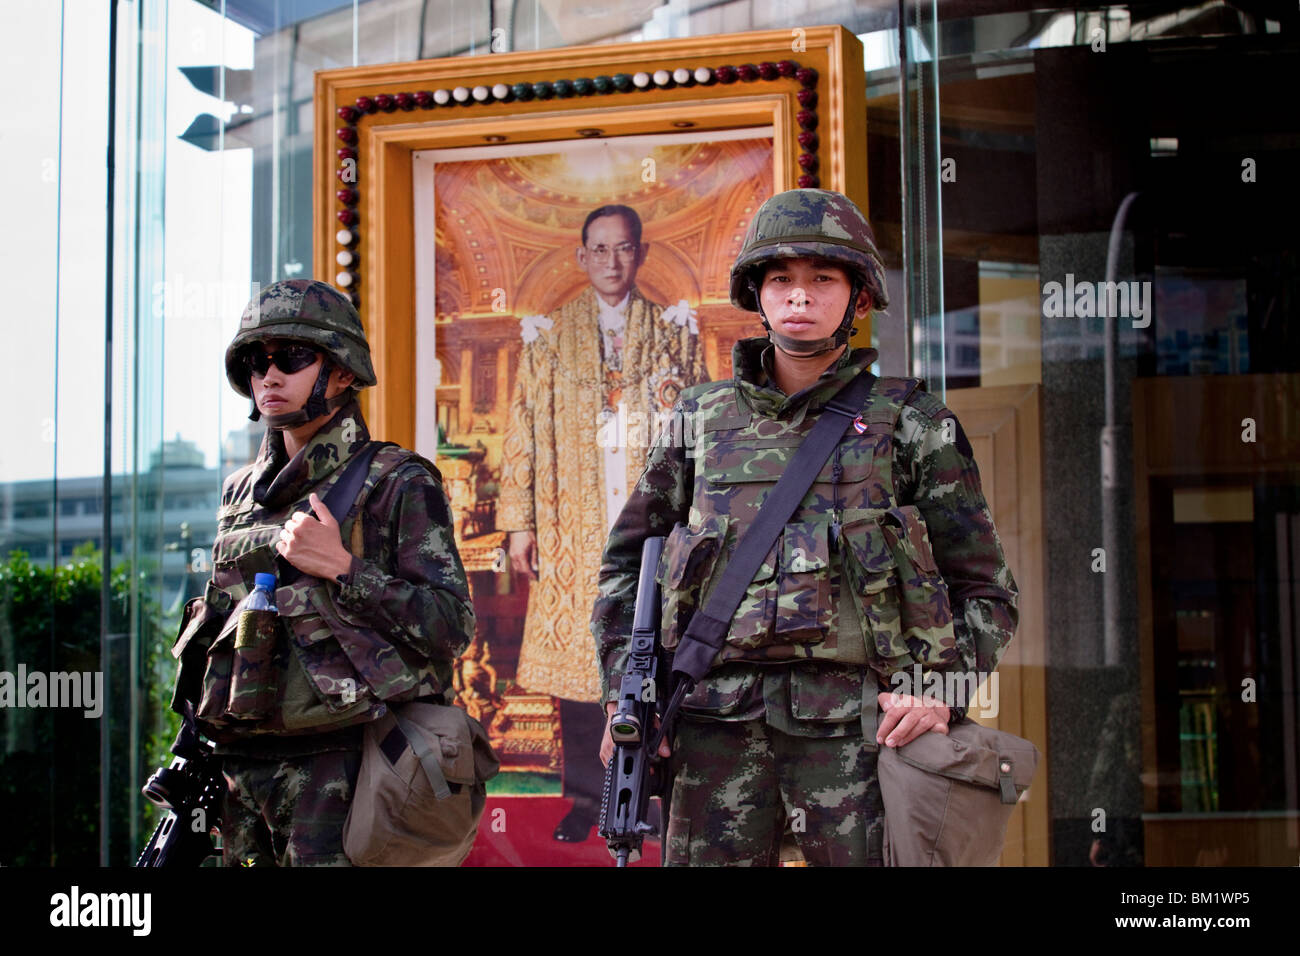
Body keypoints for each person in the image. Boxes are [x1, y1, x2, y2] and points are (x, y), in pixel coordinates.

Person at [591, 189, 1019, 866]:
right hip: (712, 729)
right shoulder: (698, 420)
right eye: (781, 279)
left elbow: (987, 587)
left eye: (823, 279)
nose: (800, 296)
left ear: (858, 298)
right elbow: (625, 565)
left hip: (858, 730)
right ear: (756, 294)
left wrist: (941, 693)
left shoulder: (911, 421)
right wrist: (627, 693)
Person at [170, 279, 474, 866]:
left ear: (342, 372)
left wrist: (342, 567)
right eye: (257, 362)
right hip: (241, 777)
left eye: (292, 357)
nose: (269, 376)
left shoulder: (396, 480)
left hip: (345, 770)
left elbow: (450, 625)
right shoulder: (239, 494)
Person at [499, 204, 707, 841]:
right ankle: (587, 798)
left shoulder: (673, 334)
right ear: (581, 256)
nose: (612, 261)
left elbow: (700, 429)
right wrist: (519, 523)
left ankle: (646, 792)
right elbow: (524, 433)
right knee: (579, 657)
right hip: (573, 517)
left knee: (649, 648)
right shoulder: (551, 338)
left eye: (624, 249)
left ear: (639, 255)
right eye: (600, 249)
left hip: (650, 521)